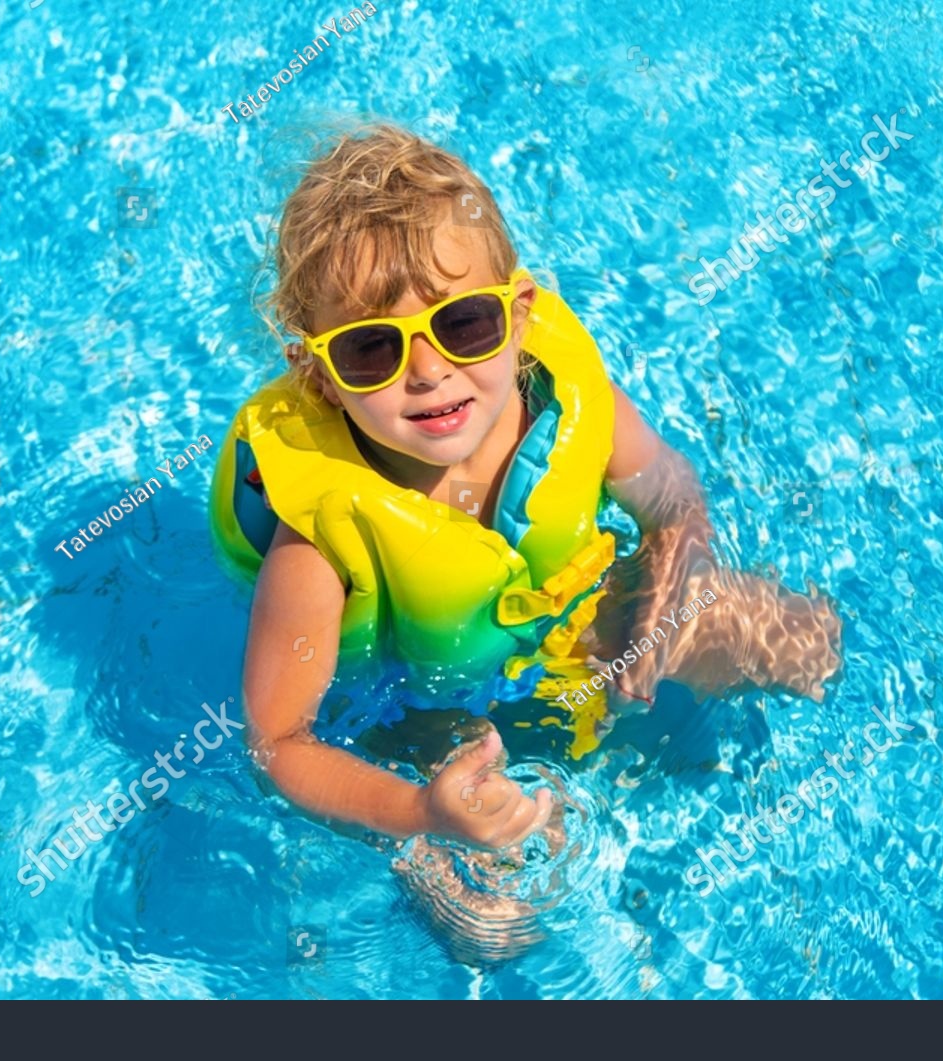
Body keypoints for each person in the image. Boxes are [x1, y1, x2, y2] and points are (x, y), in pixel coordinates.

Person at [210, 123, 841, 862]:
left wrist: (665, 604)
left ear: (516, 316)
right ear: (320, 375)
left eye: (463, 323)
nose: (428, 371)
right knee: (500, 906)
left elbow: (672, 505)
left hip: (574, 619)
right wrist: (421, 811)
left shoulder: (568, 401)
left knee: (807, 642)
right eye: (372, 348)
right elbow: (280, 743)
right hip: (429, 710)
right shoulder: (318, 544)